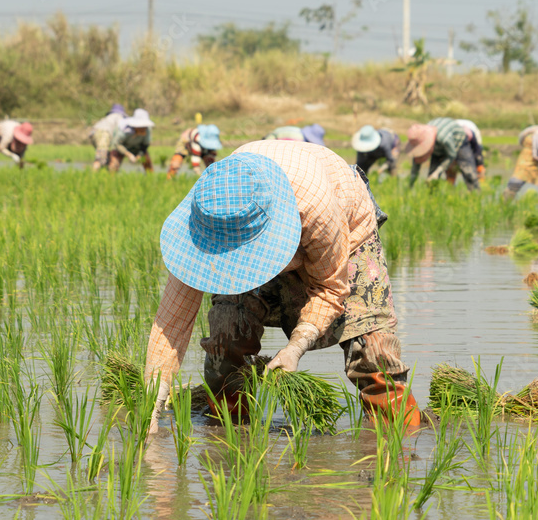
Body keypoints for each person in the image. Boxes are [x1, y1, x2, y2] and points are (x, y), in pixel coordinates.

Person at [143, 140, 422, 435]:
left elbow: (330, 287)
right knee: (227, 330)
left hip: (344, 225)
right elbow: (171, 321)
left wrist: (295, 347)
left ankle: (402, 441)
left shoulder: (316, 206)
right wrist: (154, 402)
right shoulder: (209, 215)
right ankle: (228, 435)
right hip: (255, 223)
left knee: (372, 350)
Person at [403, 117, 480, 190]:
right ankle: (432, 198)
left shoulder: (443, 138)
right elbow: (416, 162)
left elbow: (452, 155)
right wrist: (410, 184)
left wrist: (437, 172)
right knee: (431, 176)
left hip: (458, 141)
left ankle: (475, 194)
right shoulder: (418, 137)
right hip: (437, 146)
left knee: (468, 172)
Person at [109, 108, 154, 173]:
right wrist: (129, 155)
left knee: (147, 160)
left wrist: (139, 155)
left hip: (137, 148)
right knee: (114, 164)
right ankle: (110, 178)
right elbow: (117, 144)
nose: (143, 128)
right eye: (141, 127)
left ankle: (150, 178)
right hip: (121, 148)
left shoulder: (147, 130)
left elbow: (145, 145)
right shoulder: (124, 130)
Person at [89, 104, 127, 171]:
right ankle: (92, 175)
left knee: (105, 156)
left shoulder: (108, 117)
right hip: (103, 134)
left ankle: (104, 174)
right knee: (101, 158)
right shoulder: (119, 116)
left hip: (93, 133)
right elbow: (119, 130)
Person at [453, 119, 486, 184]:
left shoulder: (472, 134)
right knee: (452, 166)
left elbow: (477, 150)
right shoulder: (453, 132)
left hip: (470, 131)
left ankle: (481, 182)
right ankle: (450, 185)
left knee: (478, 161)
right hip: (458, 132)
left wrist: (479, 163)